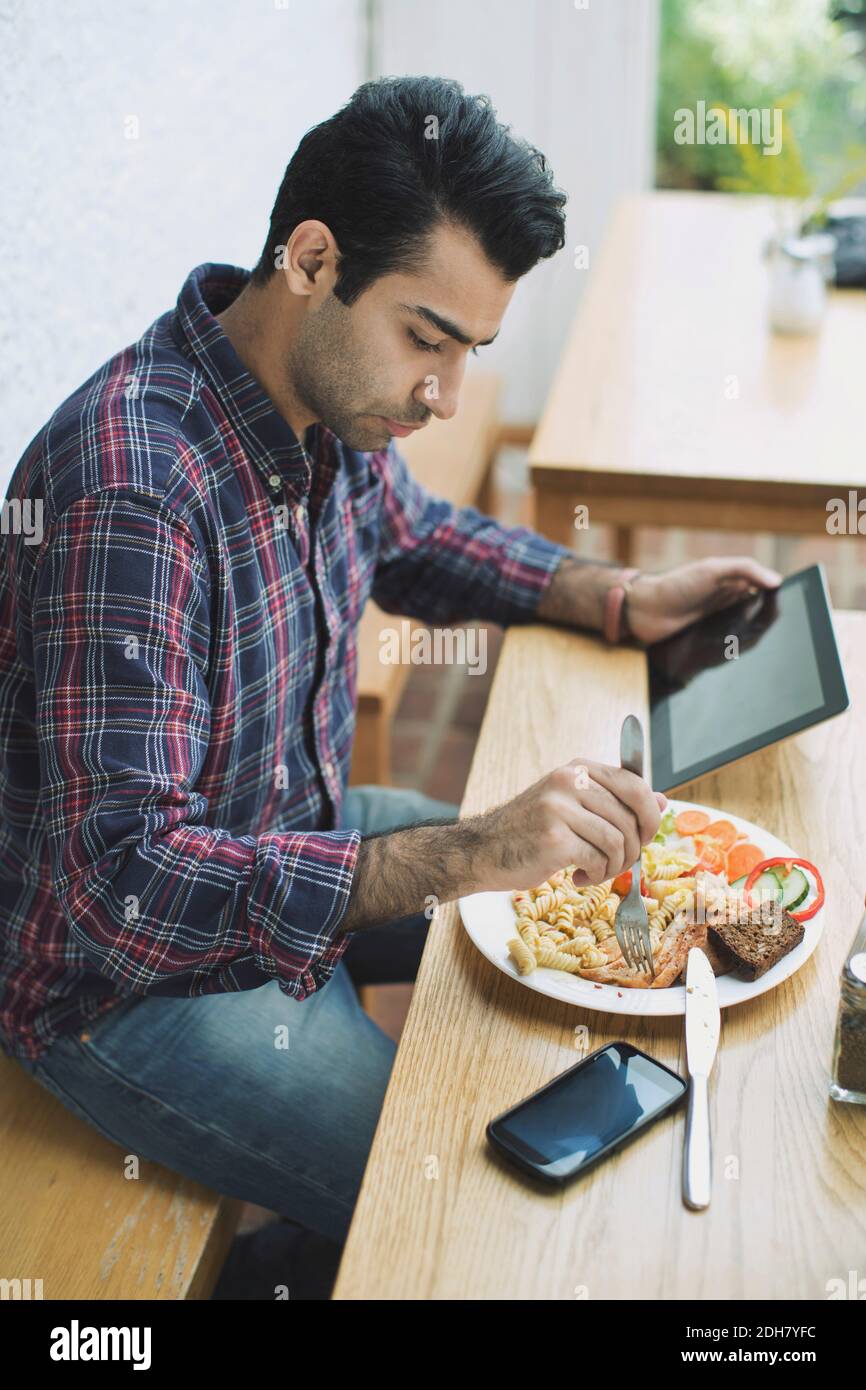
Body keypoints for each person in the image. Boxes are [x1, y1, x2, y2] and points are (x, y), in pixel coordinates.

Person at [0, 75, 780, 1247]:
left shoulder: (321, 396)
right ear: (310, 260)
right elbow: (120, 892)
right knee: (471, 1205)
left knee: (633, 889)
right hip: (130, 990)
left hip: (295, 821)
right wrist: (461, 853)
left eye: (469, 350)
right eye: (426, 338)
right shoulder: (133, 491)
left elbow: (414, 538)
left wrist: (616, 597)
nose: (445, 396)